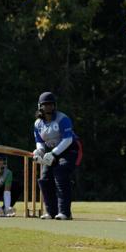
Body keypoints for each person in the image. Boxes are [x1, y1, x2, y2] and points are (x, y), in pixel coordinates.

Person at [33, 91, 79, 220]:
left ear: (54, 106)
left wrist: (53, 154)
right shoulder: (38, 124)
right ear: (40, 106)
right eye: (45, 105)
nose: (48, 107)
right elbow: (40, 141)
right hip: (52, 151)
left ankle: (65, 212)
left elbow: (67, 140)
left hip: (70, 149)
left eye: (50, 104)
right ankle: (51, 212)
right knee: (44, 178)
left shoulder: (62, 119)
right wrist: (39, 152)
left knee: (60, 172)